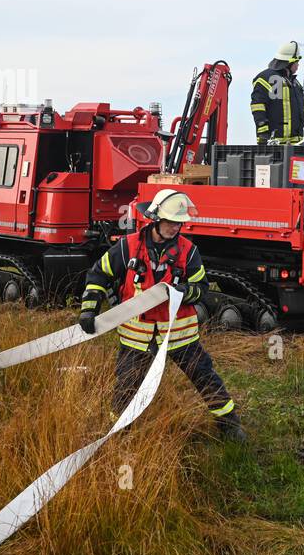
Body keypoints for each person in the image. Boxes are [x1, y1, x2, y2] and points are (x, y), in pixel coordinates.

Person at [78, 188, 245, 443]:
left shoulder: (189, 251)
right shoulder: (128, 247)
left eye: (179, 223)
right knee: (126, 387)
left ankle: (230, 426)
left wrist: (182, 291)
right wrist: (89, 309)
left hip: (179, 336)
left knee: (205, 377)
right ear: (155, 219)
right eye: (170, 222)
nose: (175, 228)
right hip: (137, 338)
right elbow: (98, 275)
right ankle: (120, 435)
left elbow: (201, 290)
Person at [250, 40, 304, 145]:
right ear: (288, 62)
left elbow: (299, 100)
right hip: (274, 144)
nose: (298, 65)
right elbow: (257, 105)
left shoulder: (293, 81)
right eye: (296, 62)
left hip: (296, 143)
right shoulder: (266, 78)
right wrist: (263, 131)